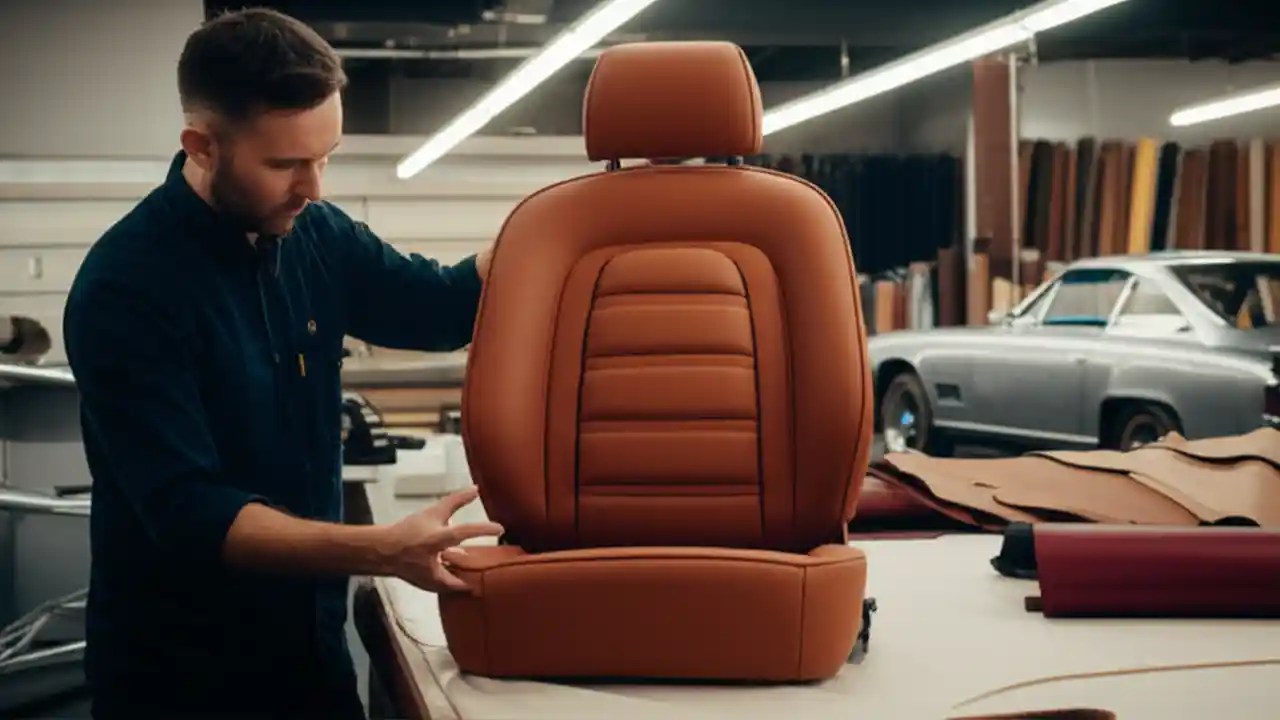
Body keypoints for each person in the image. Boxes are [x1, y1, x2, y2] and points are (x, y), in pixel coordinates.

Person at [62, 8, 503, 719]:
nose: (315, 186)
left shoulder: (315, 233)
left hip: (309, 659)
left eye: (325, 155)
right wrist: (382, 550)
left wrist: (557, 231)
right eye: (286, 164)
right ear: (201, 145)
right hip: (179, 681)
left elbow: (440, 307)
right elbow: (192, 513)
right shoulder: (126, 286)